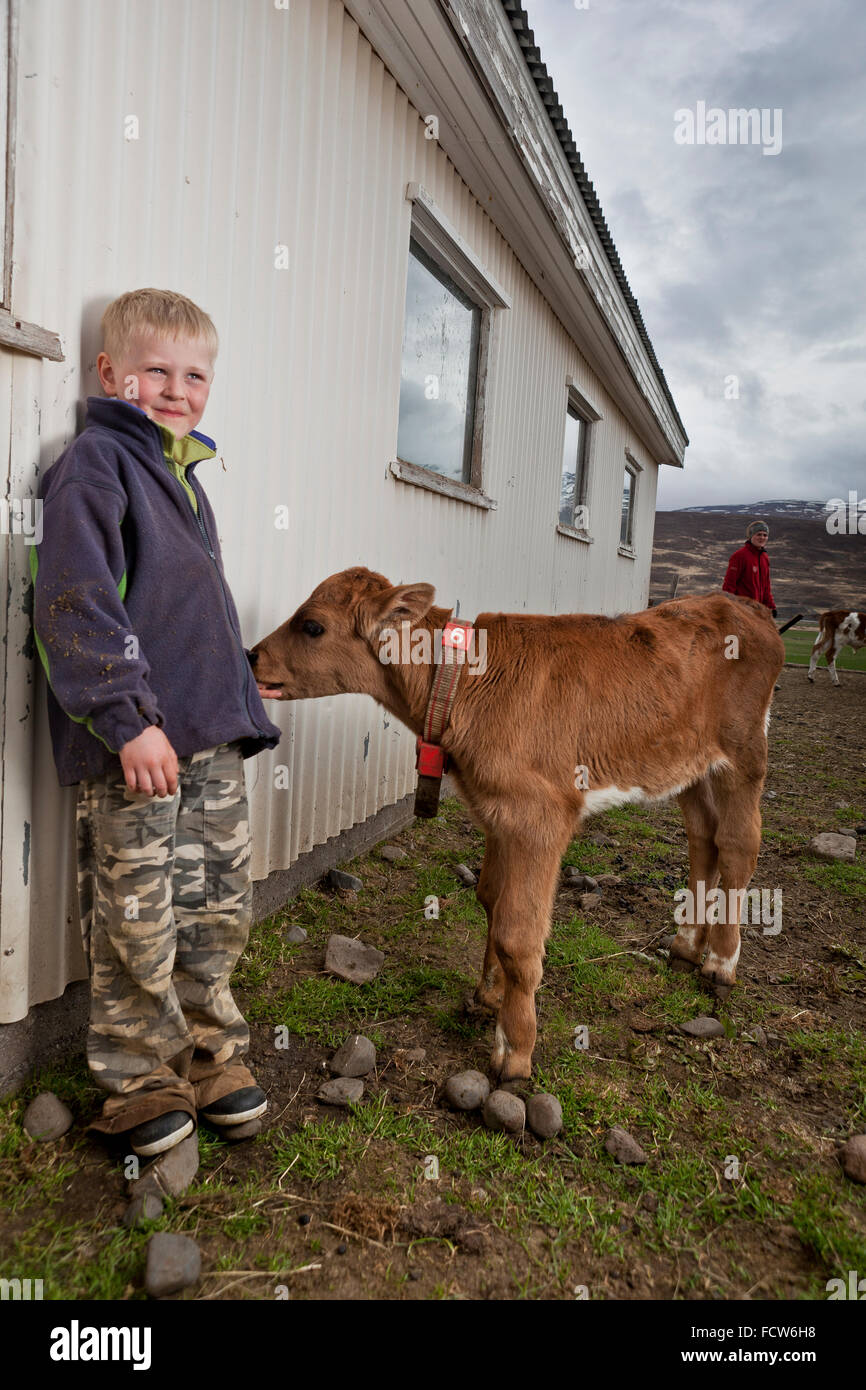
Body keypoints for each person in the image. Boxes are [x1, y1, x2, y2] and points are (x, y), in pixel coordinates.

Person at [30, 288, 281, 1157]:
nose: (176, 388)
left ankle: (210, 1052)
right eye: (155, 370)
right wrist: (126, 718)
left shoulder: (185, 479)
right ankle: (137, 1076)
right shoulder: (96, 464)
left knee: (216, 902)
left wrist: (235, 686)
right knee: (138, 911)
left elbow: (184, 612)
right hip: (136, 745)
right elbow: (77, 601)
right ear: (110, 373)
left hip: (209, 738)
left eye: (195, 374)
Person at [722, 520, 778, 617]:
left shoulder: (764, 557)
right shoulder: (739, 556)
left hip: (757, 611)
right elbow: (729, 585)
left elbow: (766, 587)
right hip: (742, 610)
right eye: (759, 534)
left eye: (765, 535)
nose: (762, 538)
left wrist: (771, 606)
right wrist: (727, 607)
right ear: (751, 536)